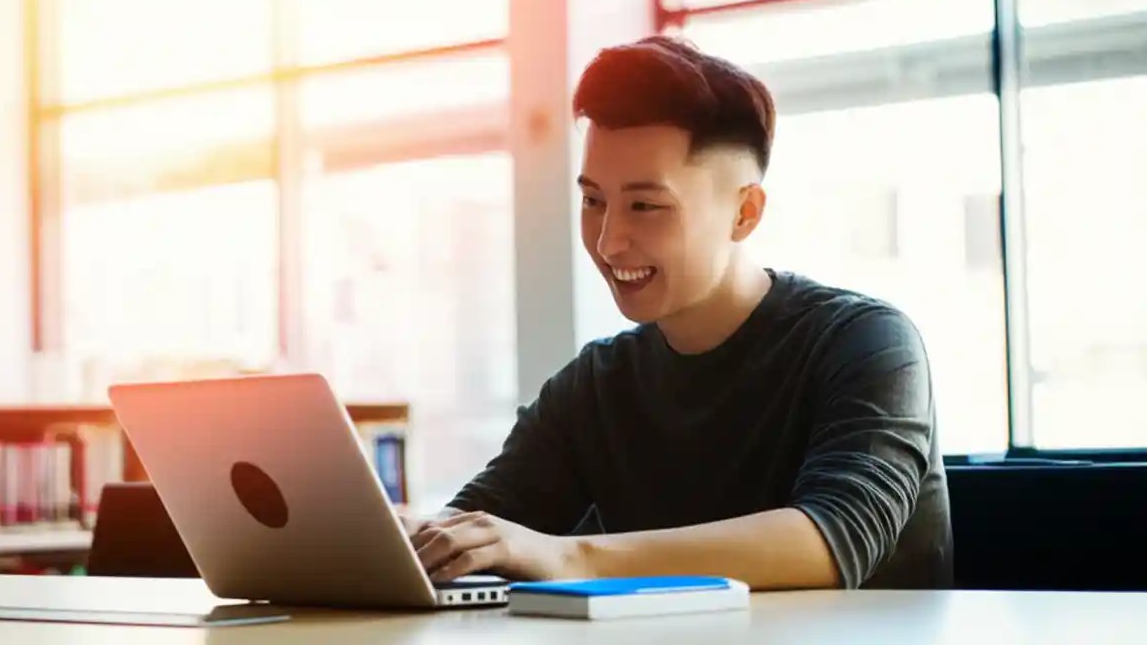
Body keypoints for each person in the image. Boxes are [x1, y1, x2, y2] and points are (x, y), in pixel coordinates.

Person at [401, 36, 952, 590]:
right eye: (593, 201)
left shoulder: (868, 344)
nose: (610, 241)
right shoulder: (595, 387)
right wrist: (394, 534)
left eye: (646, 206)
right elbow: (476, 531)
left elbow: (833, 539)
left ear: (744, 212)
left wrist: (575, 557)